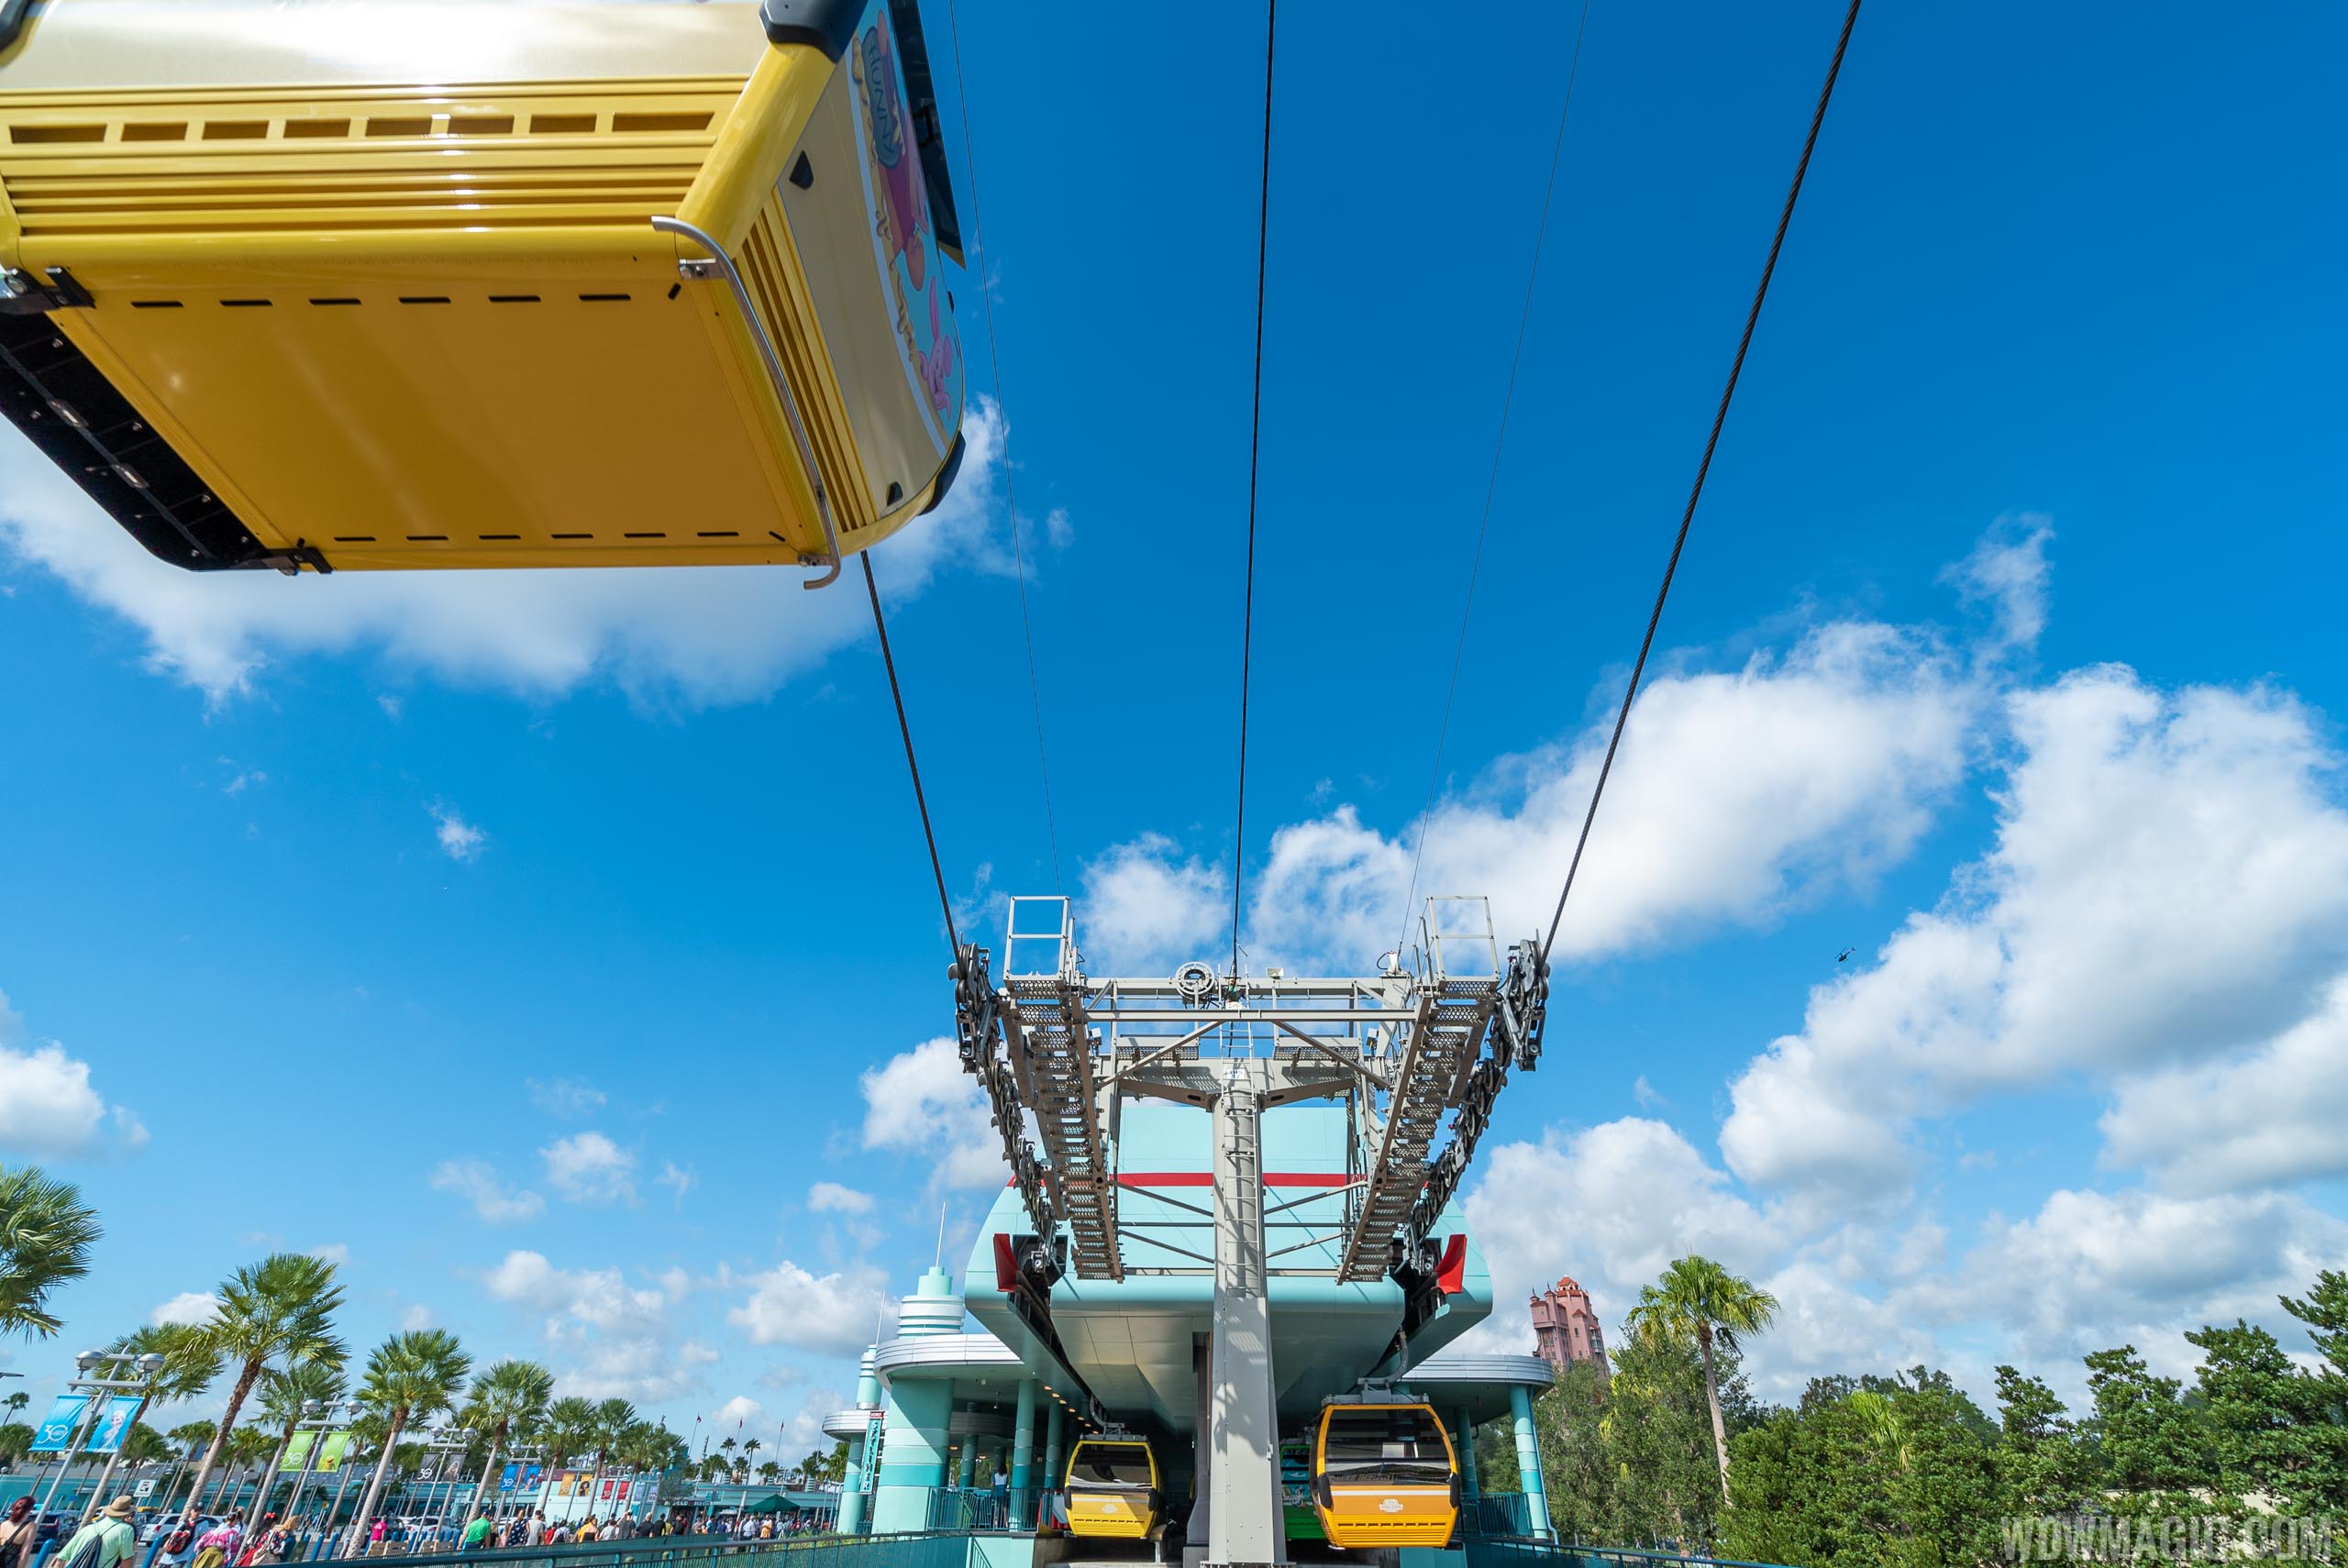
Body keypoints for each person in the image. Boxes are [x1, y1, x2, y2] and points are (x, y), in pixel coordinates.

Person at [53, 1498, 136, 1568]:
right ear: (127, 1514)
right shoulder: (126, 1529)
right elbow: (127, 1559)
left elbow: (61, 1558)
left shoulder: (87, 1529)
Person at [0, 1497, 35, 1568]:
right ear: (29, 1510)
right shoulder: (30, 1526)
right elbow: (25, 1552)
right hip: (11, 1563)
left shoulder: (4, 1524)